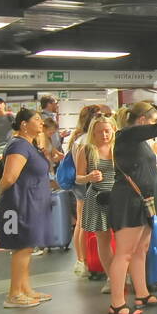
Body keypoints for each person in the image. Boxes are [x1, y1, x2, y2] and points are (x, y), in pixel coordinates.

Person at [107, 101, 157, 314]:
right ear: (142, 120)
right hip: (128, 201)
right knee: (124, 254)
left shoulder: (137, 139)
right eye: (152, 119)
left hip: (141, 201)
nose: (154, 124)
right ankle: (117, 303)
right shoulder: (128, 135)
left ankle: (142, 294)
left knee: (140, 250)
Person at [0, 109, 52, 308]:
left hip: (32, 203)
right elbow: (9, 177)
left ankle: (25, 289)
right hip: (21, 204)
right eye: (36, 120)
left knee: (27, 247)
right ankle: (14, 294)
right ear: (23, 124)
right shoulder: (19, 145)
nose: (41, 123)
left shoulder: (30, 145)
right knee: (21, 247)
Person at [75, 113, 117, 292]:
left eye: (107, 131)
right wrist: (89, 177)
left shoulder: (118, 148)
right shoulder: (86, 150)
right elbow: (78, 178)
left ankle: (122, 274)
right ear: (93, 132)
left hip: (118, 197)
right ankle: (111, 277)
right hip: (97, 197)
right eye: (100, 132)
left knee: (124, 240)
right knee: (103, 239)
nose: (104, 135)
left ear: (113, 130)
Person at [68, 104, 103, 275]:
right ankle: (85, 261)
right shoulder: (86, 141)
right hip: (88, 183)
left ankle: (81, 260)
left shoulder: (77, 139)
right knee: (84, 224)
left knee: (81, 223)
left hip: (79, 184)